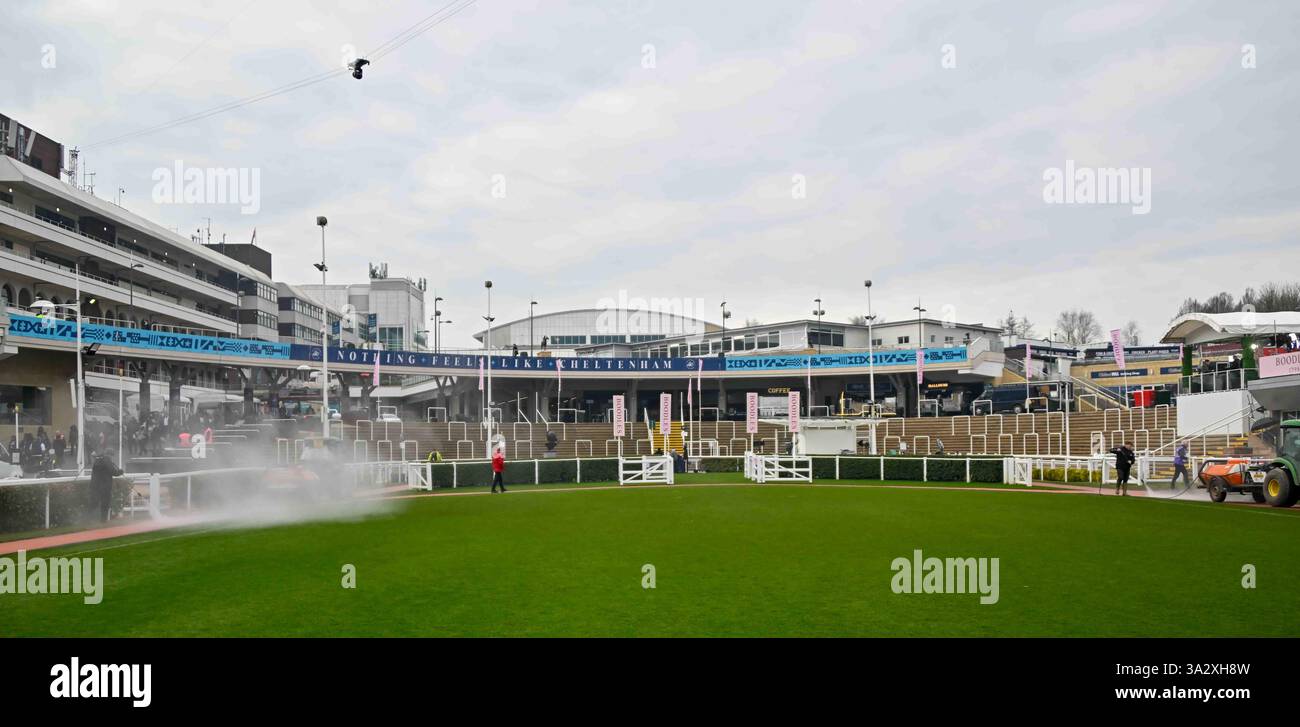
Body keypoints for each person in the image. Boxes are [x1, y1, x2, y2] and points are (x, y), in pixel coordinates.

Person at [89, 450, 123, 523]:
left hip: (95, 485)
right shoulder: (107, 461)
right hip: (105, 486)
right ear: (109, 454)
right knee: (105, 503)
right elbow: (113, 472)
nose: (112, 457)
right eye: (112, 455)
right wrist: (120, 472)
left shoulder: (97, 461)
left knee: (94, 503)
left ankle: (88, 519)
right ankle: (103, 520)